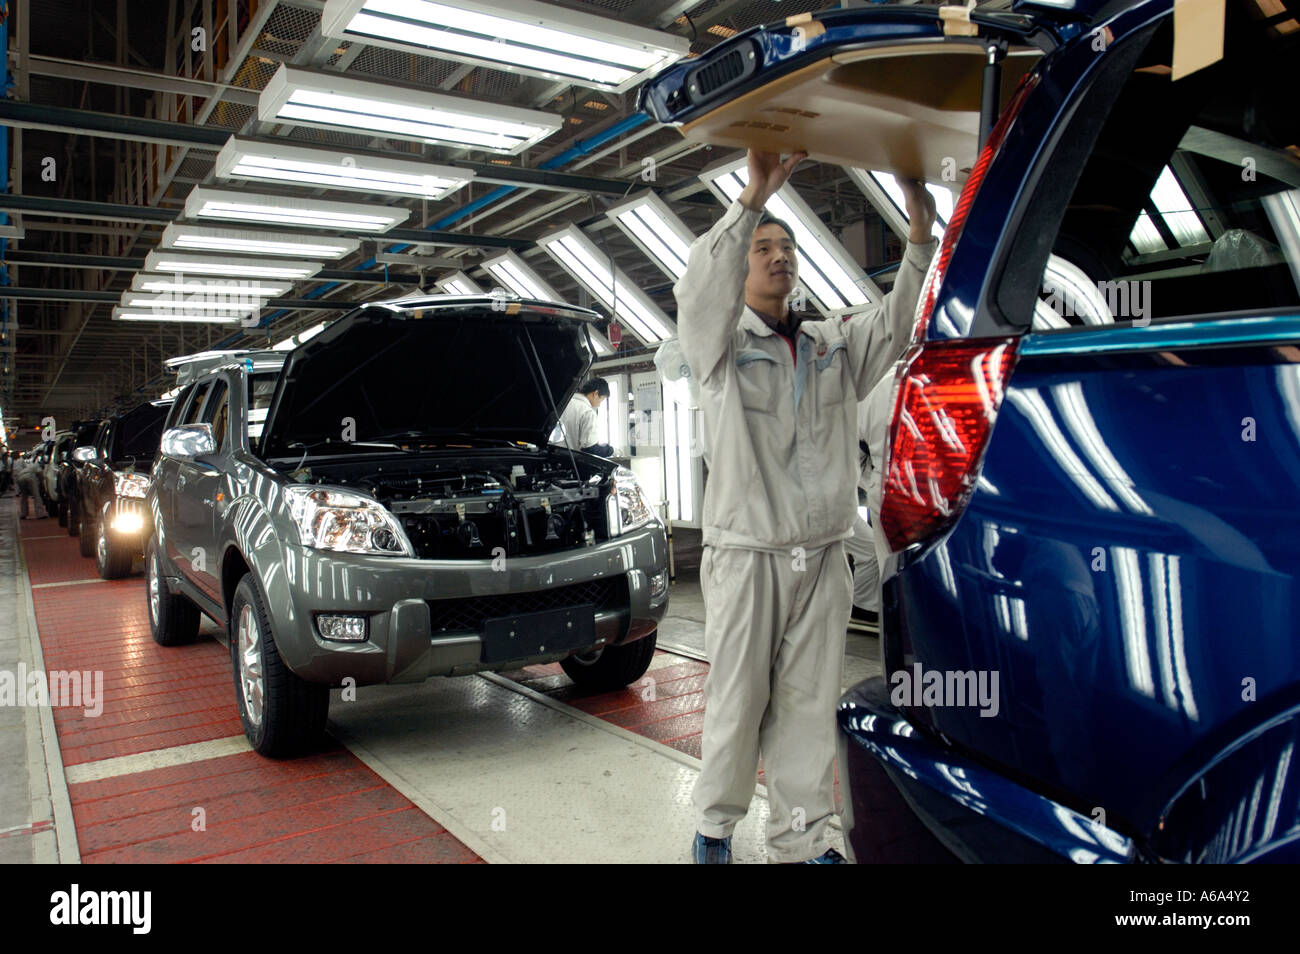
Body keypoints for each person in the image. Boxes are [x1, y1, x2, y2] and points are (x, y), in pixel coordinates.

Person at [674, 147, 937, 864]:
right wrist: (751, 201)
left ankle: (804, 840)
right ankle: (715, 831)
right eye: (762, 248)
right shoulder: (718, 348)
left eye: (786, 246)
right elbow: (698, 293)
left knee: (808, 708)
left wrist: (918, 232)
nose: (778, 256)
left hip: (819, 555)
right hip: (747, 555)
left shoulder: (829, 342)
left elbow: (900, 322)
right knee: (736, 705)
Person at [555, 377, 614, 457]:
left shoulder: (561, 404)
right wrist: (610, 450)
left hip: (552, 459)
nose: (600, 405)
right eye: (602, 400)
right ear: (596, 393)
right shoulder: (588, 412)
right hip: (572, 463)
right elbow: (590, 448)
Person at [16, 454, 45, 519]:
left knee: (24, 496)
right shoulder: (38, 466)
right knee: (36, 496)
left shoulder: (29, 466)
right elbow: (40, 475)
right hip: (30, 477)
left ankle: (23, 514)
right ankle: (40, 514)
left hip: (20, 478)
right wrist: (43, 484)